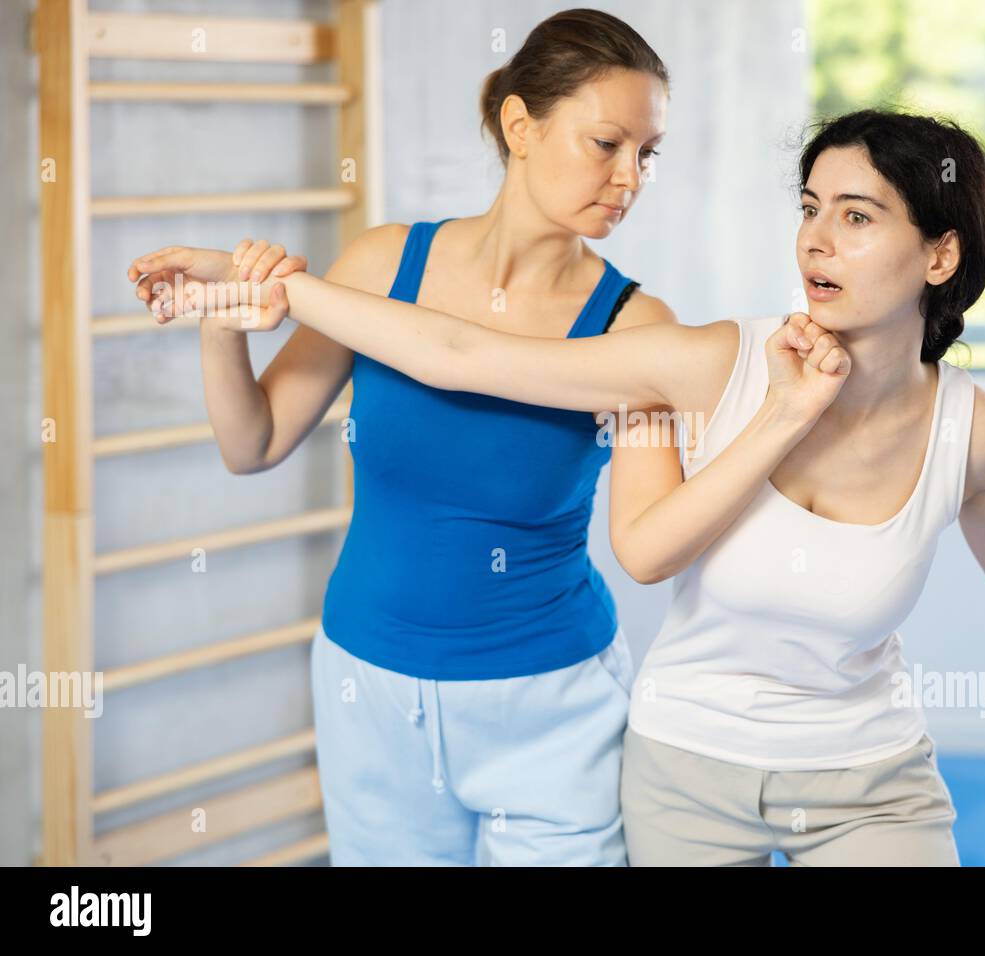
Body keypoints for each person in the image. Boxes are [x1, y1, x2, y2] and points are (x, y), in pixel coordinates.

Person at [130, 108, 985, 865]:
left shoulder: (973, 430)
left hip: (870, 780)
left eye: (856, 217)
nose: (817, 239)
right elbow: (463, 357)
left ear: (937, 257)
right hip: (687, 770)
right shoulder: (708, 360)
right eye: (810, 208)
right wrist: (272, 286)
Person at [128, 8, 677, 866]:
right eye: (607, 143)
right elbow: (254, 442)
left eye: (648, 154)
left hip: (551, 705)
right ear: (520, 125)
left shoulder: (636, 324)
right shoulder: (385, 263)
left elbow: (460, 360)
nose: (630, 177)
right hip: (366, 687)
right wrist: (223, 318)